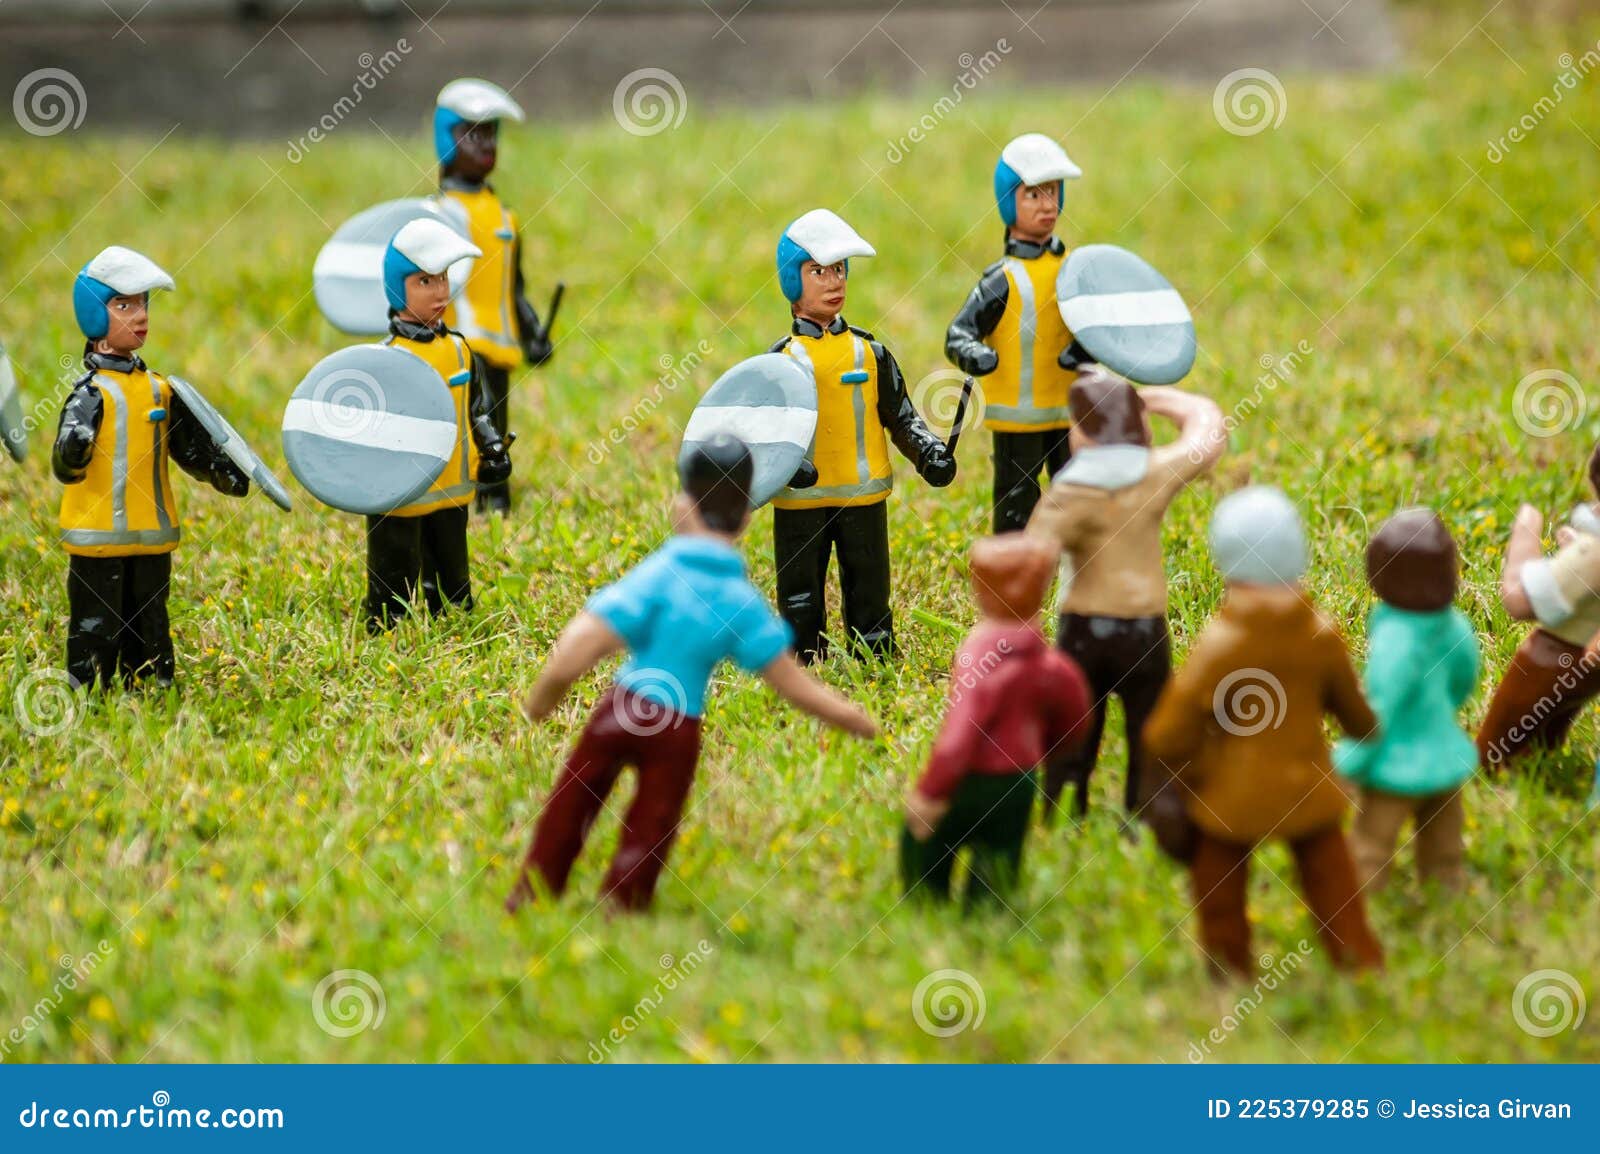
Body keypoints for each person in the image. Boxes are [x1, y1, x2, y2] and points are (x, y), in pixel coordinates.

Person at [507, 435, 879, 912]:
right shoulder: (740, 602)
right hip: (677, 728)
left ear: (681, 506)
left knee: (573, 800)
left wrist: (542, 701)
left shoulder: (659, 574)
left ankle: (535, 888)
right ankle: (624, 903)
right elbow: (792, 682)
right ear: (746, 519)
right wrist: (851, 717)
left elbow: (581, 645)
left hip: (622, 707)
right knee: (653, 820)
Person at [1143, 486, 1384, 978]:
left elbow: (1170, 731)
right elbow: (1356, 716)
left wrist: (1183, 769)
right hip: (1308, 788)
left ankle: (1229, 966)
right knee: (1332, 879)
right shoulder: (1321, 635)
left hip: (1230, 797)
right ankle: (1357, 958)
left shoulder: (1220, 646)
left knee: (1219, 888)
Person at [1024, 368, 1224, 816]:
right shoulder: (1154, 474)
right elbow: (1209, 437)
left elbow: (1031, 560)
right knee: (1149, 725)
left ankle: (1063, 799)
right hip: (1143, 629)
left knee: (1075, 723)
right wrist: (1168, 400)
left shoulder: (1068, 493)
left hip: (1082, 630)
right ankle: (1147, 805)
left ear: (1082, 430)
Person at [53, 246, 250, 689]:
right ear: (96, 316)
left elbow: (190, 448)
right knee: (95, 619)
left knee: (150, 616)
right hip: (98, 535)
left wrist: (223, 471)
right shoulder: (90, 394)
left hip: (152, 535)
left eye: (143, 304)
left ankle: (150, 680)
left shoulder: (161, 390)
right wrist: (73, 449)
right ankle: (87, 684)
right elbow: (66, 461)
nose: (140, 315)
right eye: (125, 305)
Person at [768, 208, 956, 662]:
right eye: (818, 271)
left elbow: (902, 417)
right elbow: (764, 434)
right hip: (800, 501)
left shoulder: (870, 353)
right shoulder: (780, 362)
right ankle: (801, 654)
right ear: (793, 281)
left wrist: (928, 451)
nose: (833, 282)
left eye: (839, 270)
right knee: (799, 589)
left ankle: (872, 648)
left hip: (863, 495)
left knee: (869, 579)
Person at [901, 534, 1090, 908]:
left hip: (974, 775)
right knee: (1000, 852)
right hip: (1019, 779)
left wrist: (932, 791)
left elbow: (960, 732)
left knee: (927, 840)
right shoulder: (1048, 662)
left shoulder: (979, 657)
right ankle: (987, 908)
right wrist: (1046, 749)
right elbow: (1077, 713)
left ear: (982, 590)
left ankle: (927, 900)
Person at [364, 218, 513, 631]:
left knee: (450, 558)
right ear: (398, 288)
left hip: (451, 487)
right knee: (394, 563)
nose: (441, 292)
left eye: (444, 278)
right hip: (399, 494)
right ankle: (386, 616)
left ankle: (452, 607)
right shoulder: (386, 359)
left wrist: (492, 448)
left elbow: (477, 410)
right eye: (425, 281)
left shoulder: (461, 350)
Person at [945, 133, 1086, 532]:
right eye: (1033, 195)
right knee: (1016, 504)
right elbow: (958, 333)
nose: (1047, 205)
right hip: (1017, 421)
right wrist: (974, 353)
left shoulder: (1074, 268)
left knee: (1077, 499)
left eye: (1053, 192)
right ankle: (1011, 575)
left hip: (1069, 413)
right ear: (1010, 202)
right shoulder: (1001, 279)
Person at [1337, 508, 1479, 892]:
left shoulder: (1396, 640)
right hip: (1444, 759)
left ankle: (1363, 898)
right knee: (1444, 841)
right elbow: (1466, 675)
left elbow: (1381, 707)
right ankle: (1446, 885)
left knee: (1371, 843)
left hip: (1395, 770)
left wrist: (1350, 760)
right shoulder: (1455, 626)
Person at [433, 78, 554, 515]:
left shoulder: (505, 215)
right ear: (445, 137)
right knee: (468, 422)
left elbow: (512, 285)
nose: (485, 144)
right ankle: (462, 490)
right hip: (460, 340)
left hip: (500, 345)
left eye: (492, 134)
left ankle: (495, 493)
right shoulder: (440, 214)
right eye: (472, 133)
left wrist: (533, 330)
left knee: (496, 421)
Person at [1477, 443, 1600, 769]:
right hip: (1592, 663)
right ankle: (1544, 752)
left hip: (1555, 655)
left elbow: (1520, 601)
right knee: (1553, 720)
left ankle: (1494, 762)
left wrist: (1526, 531)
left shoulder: (1592, 554)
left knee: (1497, 739)